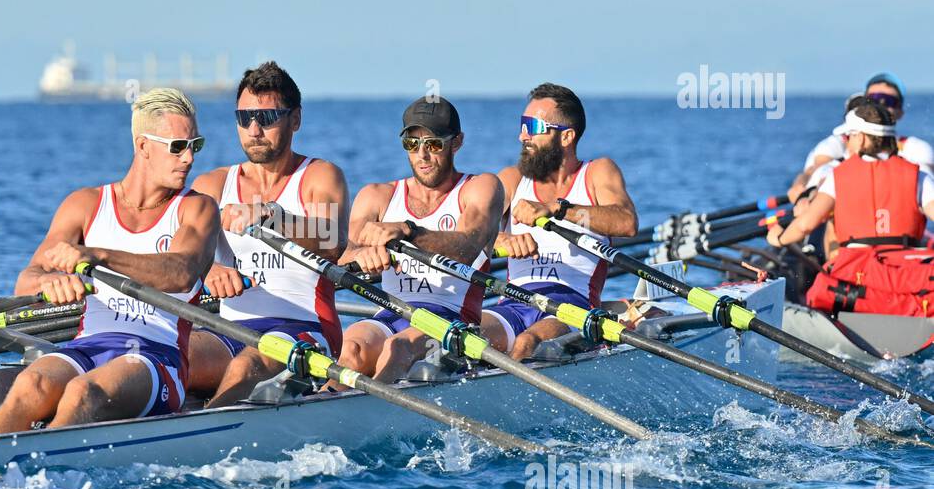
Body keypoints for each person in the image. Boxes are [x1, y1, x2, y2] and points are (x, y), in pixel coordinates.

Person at [0, 88, 220, 434]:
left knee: (83, 392)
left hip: (157, 357)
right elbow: (27, 280)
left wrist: (100, 255)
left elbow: (181, 272)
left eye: (194, 145)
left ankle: (42, 474)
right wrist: (50, 282)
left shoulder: (197, 208)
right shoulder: (85, 204)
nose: (188, 159)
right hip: (90, 344)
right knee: (29, 386)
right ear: (143, 147)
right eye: (177, 147)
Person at [187, 62, 349, 406]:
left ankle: (204, 442)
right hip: (231, 331)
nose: (254, 129)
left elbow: (333, 242)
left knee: (247, 364)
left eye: (267, 117)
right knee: (176, 352)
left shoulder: (319, 176)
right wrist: (208, 270)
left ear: (295, 120)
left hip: (305, 330)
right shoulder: (212, 185)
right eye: (245, 118)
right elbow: (181, 258)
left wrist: (272, 217)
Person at [332, 97, 504, 385]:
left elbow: (468, 246)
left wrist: (410, 232)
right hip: (390, 314)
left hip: (454, 322)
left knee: (398, 347)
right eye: (412, 144)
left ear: (457, 142)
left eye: (433, 144)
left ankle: (369, 416)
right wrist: (362, 256)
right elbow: (341, 255)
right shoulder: (377, 195)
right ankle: (326, 414)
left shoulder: (480, 188)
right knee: (350, 347)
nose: (422, 155)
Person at [481, 83, 638, 361]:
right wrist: (500, 239)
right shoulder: (512, 179)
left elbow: (626, 222)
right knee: (469, 335)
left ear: (566, 137)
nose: (522, 136)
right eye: (522, 125)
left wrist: (558, 209)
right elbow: (470, 236)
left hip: (573, 305)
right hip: (514, 301)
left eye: (532, 126)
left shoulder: (596, 172)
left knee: (527, 342)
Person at [769, 99, 934, 315]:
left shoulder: (837, 177)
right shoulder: (919, 176)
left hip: (854, 276)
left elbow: (805, 225)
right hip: (907, 276)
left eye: (850, 136)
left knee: (820, 283)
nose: (847, 143)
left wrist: (779, 238)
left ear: (863, 138)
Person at [788, 72, 933, 202]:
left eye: (888, 101)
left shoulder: (916, 149)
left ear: (900, 111)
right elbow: (816, 170)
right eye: (874, 99)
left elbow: (927, 180)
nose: (880, 105)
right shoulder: (838, 143)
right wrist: (801, 190)